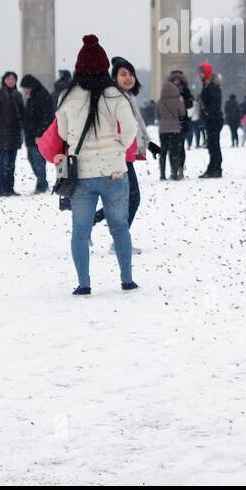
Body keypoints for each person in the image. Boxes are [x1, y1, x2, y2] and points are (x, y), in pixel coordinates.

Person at [39, 34, 138, 295]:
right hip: (114, 172)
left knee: (80, 231)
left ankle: (84, 283)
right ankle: (126, 279)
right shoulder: (116, 96)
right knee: (120, 227)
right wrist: (117, 146)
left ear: (79, 67)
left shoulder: (67, 96)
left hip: (82, 173)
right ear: (105, 67)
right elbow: (130, 129)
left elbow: (61, 132)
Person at [95, 56, 156, 230]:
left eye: (131, 74)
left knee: (125, 198)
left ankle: (92, 221)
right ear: (114, 78)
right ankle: (118, 238)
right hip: (116, 155)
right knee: (130, 198)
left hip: (125, 155)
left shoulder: (127, 97)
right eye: (123, 74)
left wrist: (148, 144)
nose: (129, 78)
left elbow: (136, 124)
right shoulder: (113, 98)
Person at [0, 71, 25, 196]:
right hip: (2, 134)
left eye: (13, 79)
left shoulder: (18, 95)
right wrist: (6, 122)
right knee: (4, 162)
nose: (11, 81)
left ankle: (10, 188)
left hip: (15, 134)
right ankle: (2, 189)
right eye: (8, 79)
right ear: (4, 80)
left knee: (12, 163)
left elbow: (22, 112)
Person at [20, 74, 55, 192]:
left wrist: (40, 134)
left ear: (30, 87)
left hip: (37, 136)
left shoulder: (42, 96)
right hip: (31, 135)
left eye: (24, 88)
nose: (24, 91)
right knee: (32, 159)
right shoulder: (33, 97)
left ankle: (41, 185)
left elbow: (47, 117)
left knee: (38, 161)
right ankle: (42, 183)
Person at [156, 70, 188, 180]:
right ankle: (174, 172)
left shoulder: (159, 101)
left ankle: (162, 174)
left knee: (163, 151)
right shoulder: (177, 100)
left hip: (163, 130)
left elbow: (157, 116)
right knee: (174, 151)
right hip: (175, 128)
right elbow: (182, 113)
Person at [198, 62, 223, 178]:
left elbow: (215, 102)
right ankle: (214, 167)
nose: (199, 75)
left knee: (213, 145)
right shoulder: (208, 85)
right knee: (213, 145)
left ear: (207, 73)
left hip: (214, 119)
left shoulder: (211, 85)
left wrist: (208, 112)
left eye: (201, 72)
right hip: (212, 119)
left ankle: (215, 168)